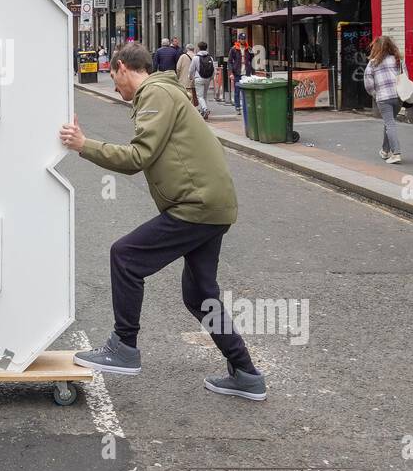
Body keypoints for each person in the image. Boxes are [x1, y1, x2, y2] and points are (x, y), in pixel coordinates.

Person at [59, 44, 265, 401]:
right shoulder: (164, 92)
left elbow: (137, 156)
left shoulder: (153, 92)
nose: (115, 88)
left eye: (113, 77)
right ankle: (246, 374)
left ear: (122, 67)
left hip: (194, 206)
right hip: (211, 205)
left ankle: (124, 347)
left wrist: (83, 145)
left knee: (125, 256)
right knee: (200, 294)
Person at [363, 35, 405, 165]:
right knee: (389, 123)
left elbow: (368, 83)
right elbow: (405, 77)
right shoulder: (398, 60)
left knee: (389, 124)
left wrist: (375, 94)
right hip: (398, 97)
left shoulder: (373, 62)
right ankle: (385, 151)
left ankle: (396, 153)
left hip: (383, 98)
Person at [227, 33, 255, 120]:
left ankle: (245, 107)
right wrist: (231, 73)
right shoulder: (234, 49)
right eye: (242, 39)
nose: (243, 40)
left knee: (246, 91)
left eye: (244, 39)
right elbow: (229, 61)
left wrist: (253, 72)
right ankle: (238, 107)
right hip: (237, 73)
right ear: (239, 39)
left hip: (246, 73)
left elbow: (252, 60)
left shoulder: (249, 49)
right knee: (237, 91)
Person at [193, 41, 215, 119]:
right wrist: (211, 78)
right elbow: (213, 69)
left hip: (199, 78)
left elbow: (192, 69)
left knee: (200, 96)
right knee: (204, 95)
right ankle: (203, 111)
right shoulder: (210, 57)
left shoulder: (196, 57)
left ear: (199, 48)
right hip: (207, 78)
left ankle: (205, 109)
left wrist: (190, 77)